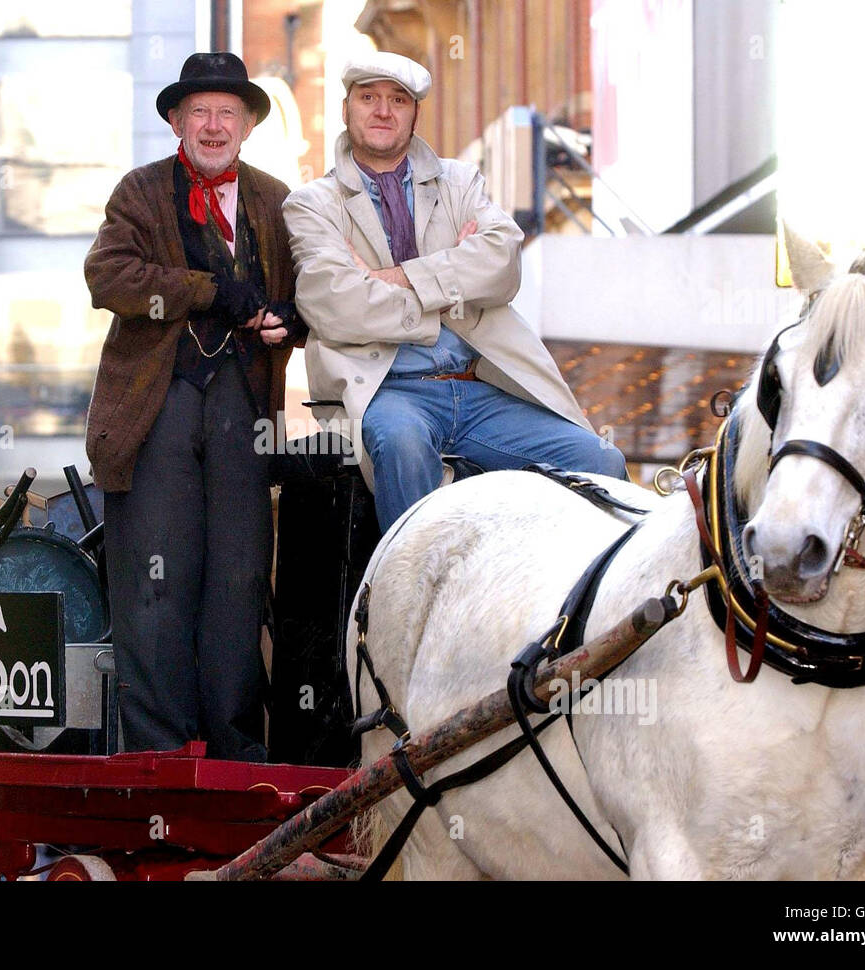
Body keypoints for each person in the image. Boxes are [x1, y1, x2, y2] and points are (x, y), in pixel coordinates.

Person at [283, 52, 626, 533]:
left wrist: (389, 278)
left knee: (600, 462)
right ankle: (407, 601)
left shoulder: (460, 180)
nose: (383, 111)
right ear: (346, 110)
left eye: (397, 100)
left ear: (414, 113)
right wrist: (449, 285)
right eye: (369, 98)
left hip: (482, 385)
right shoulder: (311, 203)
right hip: (390, 391)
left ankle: (572, 606)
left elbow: (502, 263)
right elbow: (334, 305)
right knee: (401, 445)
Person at [83, 52, 303, 761]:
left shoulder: (275, 200)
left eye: (227, 113)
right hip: (157, 406)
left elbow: (307, 294)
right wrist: (208, 290)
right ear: (177, 120)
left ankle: (237, 760)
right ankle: (160, 756)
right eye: (200, 112)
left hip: (243, 403)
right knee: (156, 584)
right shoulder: (140, 192)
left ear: (246, 125)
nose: (213, 125)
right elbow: (109, 277)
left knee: (240, 582)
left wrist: (291, 320)